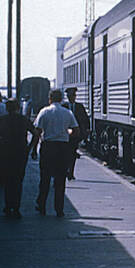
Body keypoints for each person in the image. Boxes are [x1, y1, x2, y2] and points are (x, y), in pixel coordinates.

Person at [32, 89, 79, 217]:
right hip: (63, 149)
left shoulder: (44, 112)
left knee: (45, 179)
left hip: (48, 147)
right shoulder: (67, 113)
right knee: (60, 180)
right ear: (61, 99)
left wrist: (33, 150)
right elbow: (76, 131)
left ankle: (41, 206)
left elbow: (37, 132)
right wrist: (67, 132)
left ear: (50, 98)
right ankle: (59, 209)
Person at [0, 99, 34, 218]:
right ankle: (16, 208)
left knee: (7, 180)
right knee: (18, 181)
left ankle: (7, 206)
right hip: (21, 153)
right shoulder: (23, 119)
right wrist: (29, 148)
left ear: (6, 108)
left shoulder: (2, 120)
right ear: (18, 107)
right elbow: (36, 134)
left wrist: (0, 144)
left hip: (5, 153)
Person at [65, 86, 90, 180]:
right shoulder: (64, 106)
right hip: (65, 134)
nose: (72, 97)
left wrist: (87, 129)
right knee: (66, 154)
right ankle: (66, 170)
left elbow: (85, 118)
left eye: (73, 95)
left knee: (72, 153)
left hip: (75, 134)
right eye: (70, 95)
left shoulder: (80, 106)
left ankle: (70, 172)